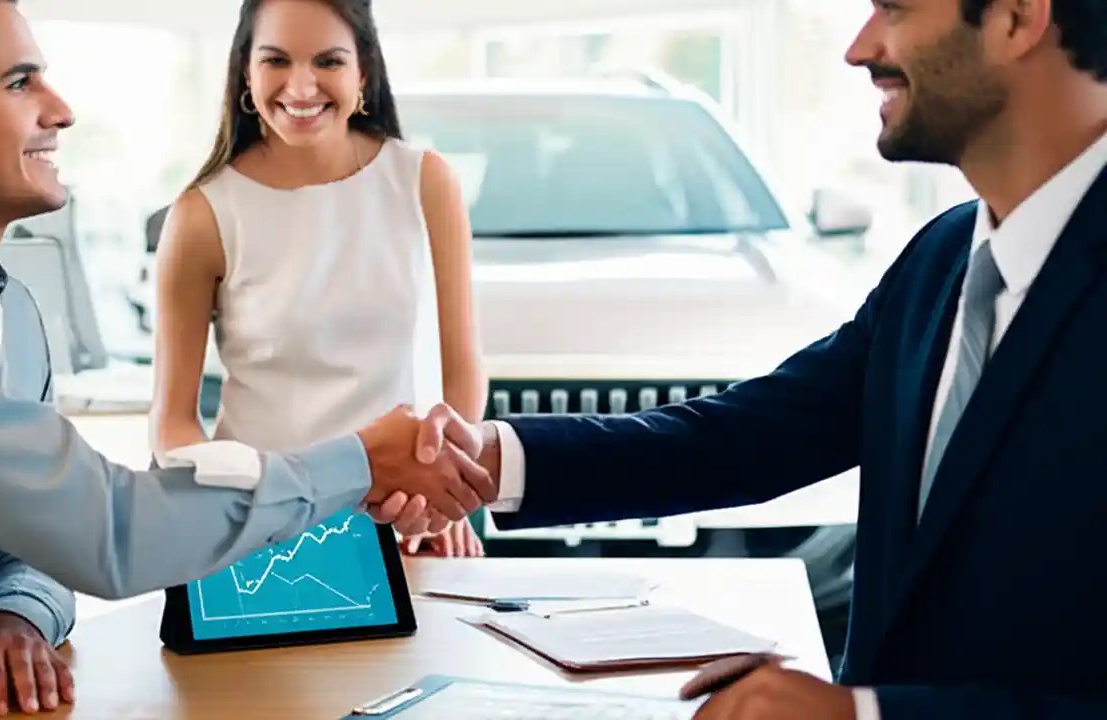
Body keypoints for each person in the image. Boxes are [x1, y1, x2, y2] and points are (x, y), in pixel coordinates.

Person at [389, 0, 1107, 717]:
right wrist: (485, 458)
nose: (860, 49)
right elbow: (748, 437)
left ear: (1016, 17)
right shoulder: (942, 259)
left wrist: (857, 714)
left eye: (894, 9)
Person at [0, 0, 491, 712]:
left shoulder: (9, 313)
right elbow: (103, 531)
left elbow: (35, 538)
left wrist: (11, 613)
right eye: (21, 83)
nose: (62, 110)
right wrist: (362, 461)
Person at [149, 0, 488, 558]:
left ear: (364, 74)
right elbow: (172, 425)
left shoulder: (425, 181)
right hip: (260, 531)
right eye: (276, 60)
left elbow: (463, 371)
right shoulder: (201, 213)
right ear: (245, 72)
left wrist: (447, 496)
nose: (301, 86)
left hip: (404, 523)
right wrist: (233, 515)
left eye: (328, 61)